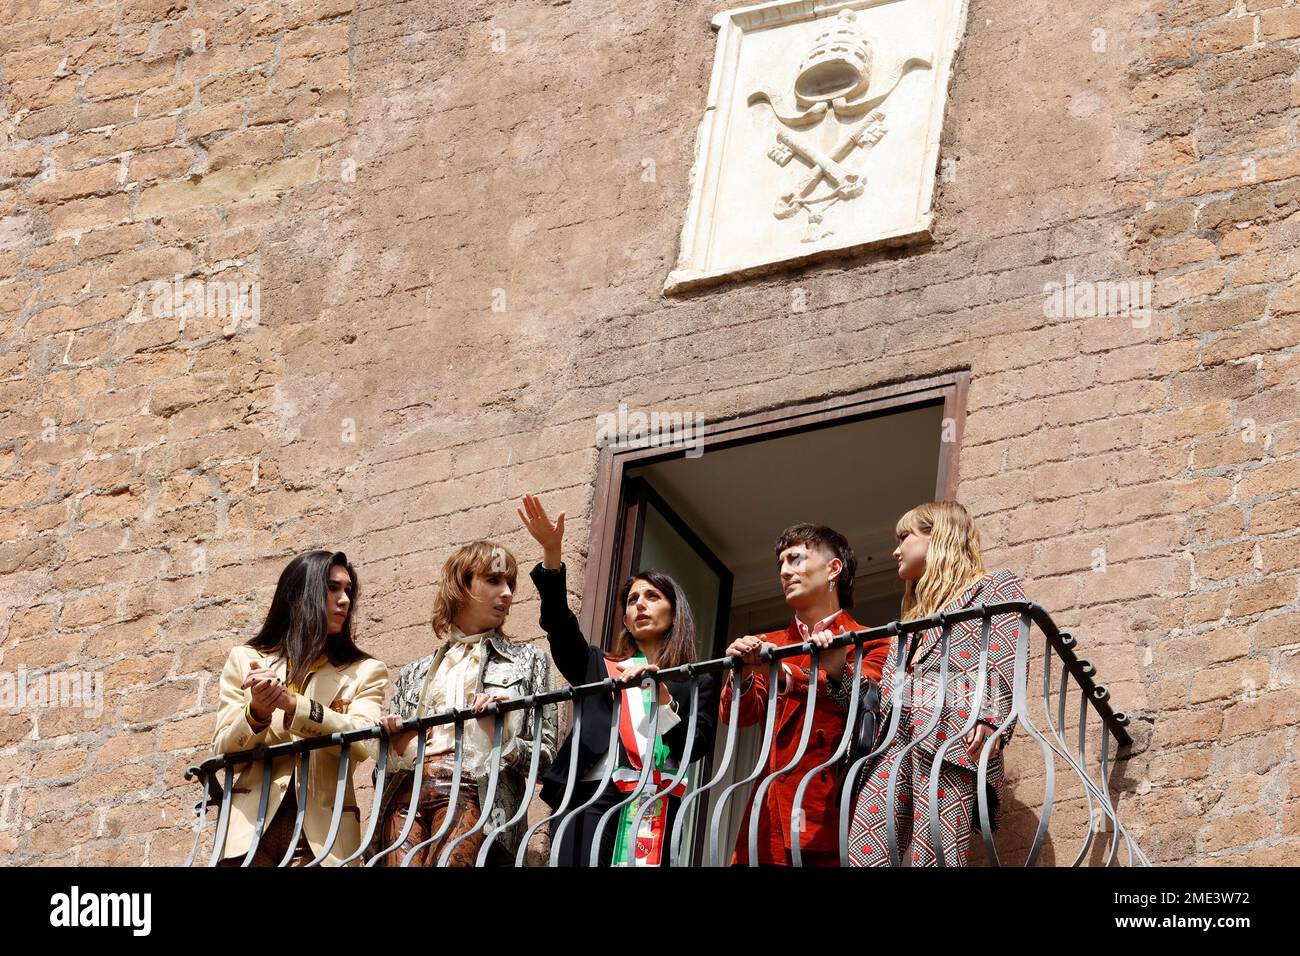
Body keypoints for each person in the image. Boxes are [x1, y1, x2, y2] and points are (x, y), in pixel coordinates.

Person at [519, 492, 719, 866]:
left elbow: (695, 746)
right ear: (625, 620)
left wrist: (659, 692)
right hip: (590, 796)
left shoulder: (696, 681)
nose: (639, 604)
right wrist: (551, 554)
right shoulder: (598, 664)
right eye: (632, 600)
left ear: (675, 613)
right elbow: (560, 629)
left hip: (653, 800)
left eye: (652, 596)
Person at [837, 500, 1027, 867]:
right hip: (893, 745)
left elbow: (1007, 652)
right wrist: (836, 673)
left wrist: (991, 717)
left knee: (935, 858)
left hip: (954, 740)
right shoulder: (910, 621)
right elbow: (883, 697)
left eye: (904, 536)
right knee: (864, 853)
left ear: (938, 536)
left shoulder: (993, 587)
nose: (895, 550)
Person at [369, 541, 558, 866]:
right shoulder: (414, 673)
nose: (508, 593)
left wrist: (501, 736)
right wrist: (398, 746)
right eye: (494, 580)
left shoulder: (528, 662)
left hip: (476, 789)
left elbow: (547, 760)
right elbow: (380, 775)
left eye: (510, 584)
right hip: (408, 793)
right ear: (461, 585)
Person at [721, 523, 891, 866]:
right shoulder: (770, 642)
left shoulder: (872, 640)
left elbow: (868, 698)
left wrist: (783, 674)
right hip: (769, 811)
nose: (785, 571)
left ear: (833, 568)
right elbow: (739, 717)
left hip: (831, 806)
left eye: (796, 559)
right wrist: (740, 675)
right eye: (781, 564)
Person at [212, 550, 389, 866]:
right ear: (297, 598)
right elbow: (224, 749)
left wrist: (295, 705)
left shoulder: (365, 670)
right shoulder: (246, 660)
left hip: (322, 837)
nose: (344, 599)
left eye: (348, 590)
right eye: (332, 588)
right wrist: (258, 713)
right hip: (249, 833)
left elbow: (364, 742)